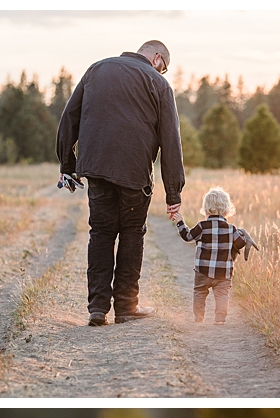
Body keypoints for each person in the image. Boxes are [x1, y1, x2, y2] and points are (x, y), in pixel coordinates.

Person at [55, 39, 185, 326]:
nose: (161, 72)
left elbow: (69, 117)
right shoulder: (159, 84)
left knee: (100, 232)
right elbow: (170, 141)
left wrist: (68, 164)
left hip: (97, 169)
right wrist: (173, 193)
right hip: (134, 172)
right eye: (163, 68)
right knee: (131, 233)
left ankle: (97, 309)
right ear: (158, 58)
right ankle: (126, 307)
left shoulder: (96, 69)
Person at [170, 186, 257, 324]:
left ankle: (199, 318)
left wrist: (180, 222)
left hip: (202, 271)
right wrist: (243, 234)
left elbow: (187, 237)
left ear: (205, 209)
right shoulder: (231, 229)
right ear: (226, 209)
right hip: (223, 272)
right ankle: (220, 318)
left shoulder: (202, 226)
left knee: (199, 293)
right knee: (222, 295)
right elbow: (240, 244)